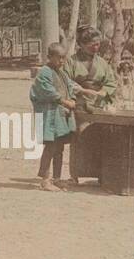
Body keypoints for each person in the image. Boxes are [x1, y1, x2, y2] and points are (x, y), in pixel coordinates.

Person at [66, 26, 116, 185]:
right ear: (81, 44)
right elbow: (66, 81)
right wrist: (79, 90)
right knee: (80, 138)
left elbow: (111, 82)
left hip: (98, 104)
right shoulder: (71, 61)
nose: (96, 47)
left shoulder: (102, 63)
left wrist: (103, 92)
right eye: (92, 45)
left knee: (101, 139)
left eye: (98, 44)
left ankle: (101, 174)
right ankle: (75, 175)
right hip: (80, 104)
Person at [29, 42, 79, 192]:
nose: (62, 61)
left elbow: (70, 87)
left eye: (64, 58)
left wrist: (73, 99)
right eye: (59, 58)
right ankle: (45, 180)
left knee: (60, 147)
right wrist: (65, 102)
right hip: (49, 114)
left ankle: (57, 178)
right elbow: (47, 90)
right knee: (50, 146)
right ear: (50, 57)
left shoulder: (62, 73)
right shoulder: (44, 72)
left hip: (60, 115)